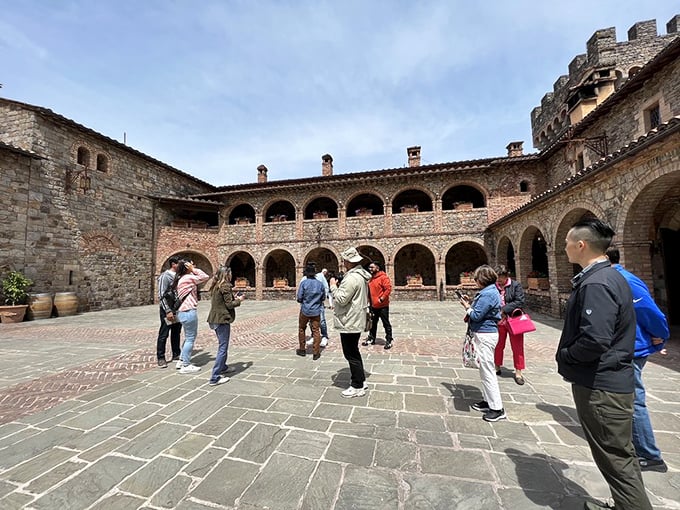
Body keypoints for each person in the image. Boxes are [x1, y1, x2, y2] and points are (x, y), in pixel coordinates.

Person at [557, 218, 652, 510]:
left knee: (616, 460)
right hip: (611, 381)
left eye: (567, 242)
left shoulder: (596, 283)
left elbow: (595, 339)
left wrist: (566, 355)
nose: (565, 247)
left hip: (601, 387)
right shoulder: (612, 277)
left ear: (581, 245)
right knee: (619, 456)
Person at [606, 247, 670, 473]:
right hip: (621, 348)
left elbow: (650, 313)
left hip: (631, 348)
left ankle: (649, 454)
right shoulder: (613, 279)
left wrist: (660, 337)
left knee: (633, 400)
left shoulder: (626, 281)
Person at [458, 265, 505, 422]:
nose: (475, 281)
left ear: (482, 279)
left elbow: (477, 315)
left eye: (476, 278)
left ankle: (497, 408)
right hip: (485, 333)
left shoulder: (488, 294)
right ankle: (488, 400)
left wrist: (466, 307)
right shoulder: (489, 291)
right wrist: (471, 303)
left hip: (485, 334)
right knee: (485, 370)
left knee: (488, 370)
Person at [330, 247, 371, 398]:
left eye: (345, 260)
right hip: (355, 318)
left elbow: (341, 298)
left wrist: (333, 286)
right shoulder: (359, 276)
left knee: (350, 353)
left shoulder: (352, 278)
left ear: (348, 261)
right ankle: (360, 379)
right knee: (354, 351)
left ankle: (357, 385)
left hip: (350, 320)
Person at [206, 265, 245, 386]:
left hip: (214, 318)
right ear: (227, 274)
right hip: (222, 319)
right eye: (230, 273)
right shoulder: (225, 286)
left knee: (222, 345)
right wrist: (240, 300)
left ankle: (223, 367)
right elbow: (229, 305)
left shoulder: (215, 285)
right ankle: (214, 377)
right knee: (223, 348)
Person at [173, 260, 210, 374]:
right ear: (186, 267)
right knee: (190, 338)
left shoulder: (182, 278)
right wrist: (193, 269)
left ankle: (182, 360)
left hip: (183, 311)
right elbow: (205, 277)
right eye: (190, 264)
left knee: (188, 337)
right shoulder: (188, 278)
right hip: (189, 311)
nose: (193, 265)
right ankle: (186, 365)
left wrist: (192, 269)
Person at [493, 265, 527, 384]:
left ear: (506, 276)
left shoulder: (515, 285)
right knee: (498, 344)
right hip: (499, 321)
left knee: (517, 346)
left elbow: (519, 301)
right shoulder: (494, 287)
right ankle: (497, 365)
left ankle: (518, 371)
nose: (499, 280)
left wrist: (504, 309)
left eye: (501, 278)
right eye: (497, 278)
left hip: (514, 320)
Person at [156, 256, 182, 368]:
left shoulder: (178, 276)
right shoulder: (165, 276)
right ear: (173, 264)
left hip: (176, 308)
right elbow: (161, 295)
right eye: (179, 264)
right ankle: (161, 357)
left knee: (176, 332)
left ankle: (176, 353)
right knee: (164, 333)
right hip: (168, 309)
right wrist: (167, 310)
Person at [297, 263, 326, 360]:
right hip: (316, 310)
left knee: (302, 328)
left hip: (305, 309)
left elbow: (299, 297)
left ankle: (302, 349)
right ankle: (316, 352)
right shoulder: (320, 284)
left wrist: (305, 301)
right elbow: (323, 297)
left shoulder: (304, 283)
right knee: (316, 331)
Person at [362, 260, 394, 350]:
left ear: (377, 268)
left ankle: (389, 340)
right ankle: (371, 338)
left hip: (382, 306)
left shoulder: (383, 277)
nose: (370, 269)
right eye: (369, 267)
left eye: (372, 267)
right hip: (373, 306)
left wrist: (382, 298)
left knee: (386, 323)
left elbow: (388, 289)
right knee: (372, 323)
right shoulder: (371, 278)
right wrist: (368, 301)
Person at [305, 265, 331, 348]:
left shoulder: (320, 277)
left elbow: (326, 287)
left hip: (318, 304)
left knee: (322, 321)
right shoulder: (304, 279)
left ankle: (324, 336)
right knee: (310, 321)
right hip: (309, 304)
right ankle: (313, 335)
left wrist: (322, 299)